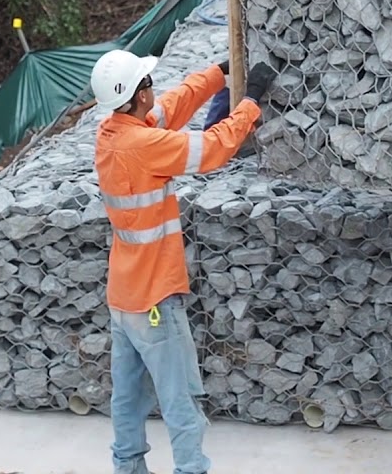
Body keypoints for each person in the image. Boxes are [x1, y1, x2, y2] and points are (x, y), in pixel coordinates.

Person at [88, 49, 277, 474]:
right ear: (137, 96)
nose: (154, 88)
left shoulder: (114, 133)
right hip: (155, 299)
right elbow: (211, 149)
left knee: (128, 400)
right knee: (181, 400)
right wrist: (251, 101)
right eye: (148, 83)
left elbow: (168, 110)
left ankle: (128, 468)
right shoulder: (141, 145)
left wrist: (216, 75)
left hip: (124, 298)